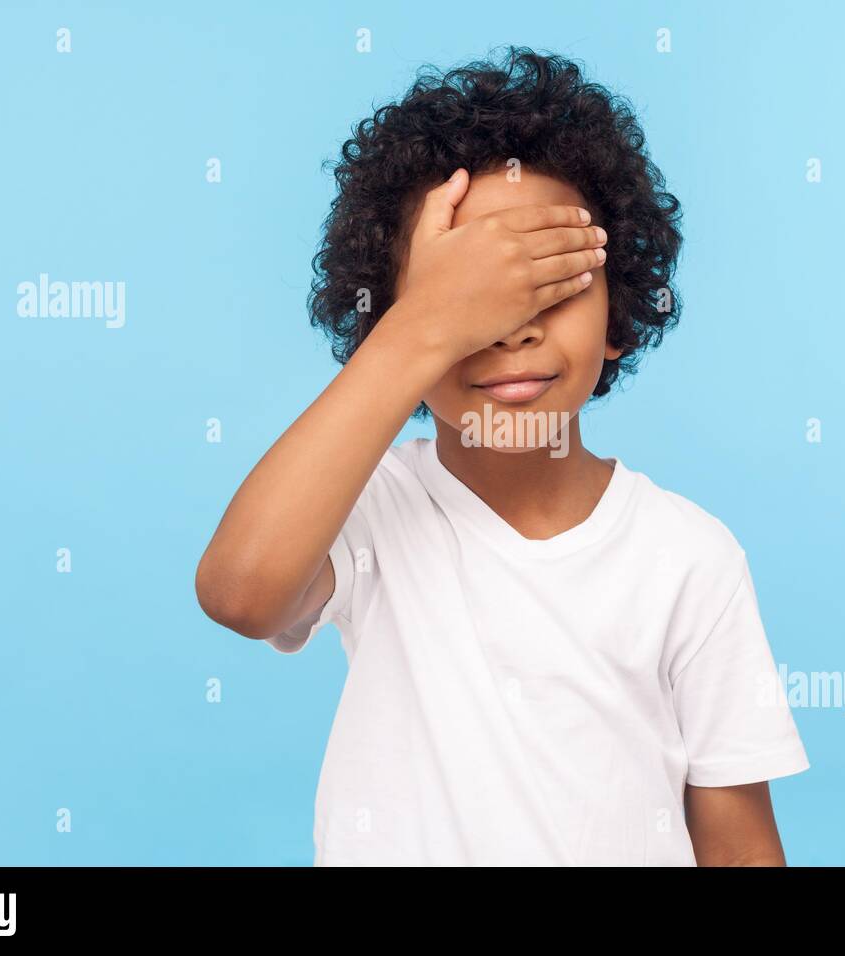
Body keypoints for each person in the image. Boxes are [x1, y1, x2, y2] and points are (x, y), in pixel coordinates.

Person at [196, 47, 809, 866]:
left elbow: (736, 838)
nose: (512, 328)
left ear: (620, 312)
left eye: (549, 286)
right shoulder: (369, 511)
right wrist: (423, 325)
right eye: (469, 299)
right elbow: (242, 595)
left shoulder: (690, 556)